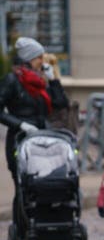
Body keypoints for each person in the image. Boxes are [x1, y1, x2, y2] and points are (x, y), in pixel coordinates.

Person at [1, 37, 68, 226]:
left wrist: (54, 80)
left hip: (42, 140)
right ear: (29, 58)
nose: (42, 61)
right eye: (39, 57)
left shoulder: (41, 81)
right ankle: (21, 231)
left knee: (45, 186)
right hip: (20, 140)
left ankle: (43, 227)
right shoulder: (12, 80)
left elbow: (60, 104)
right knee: (23, 188)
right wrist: (20, 125)